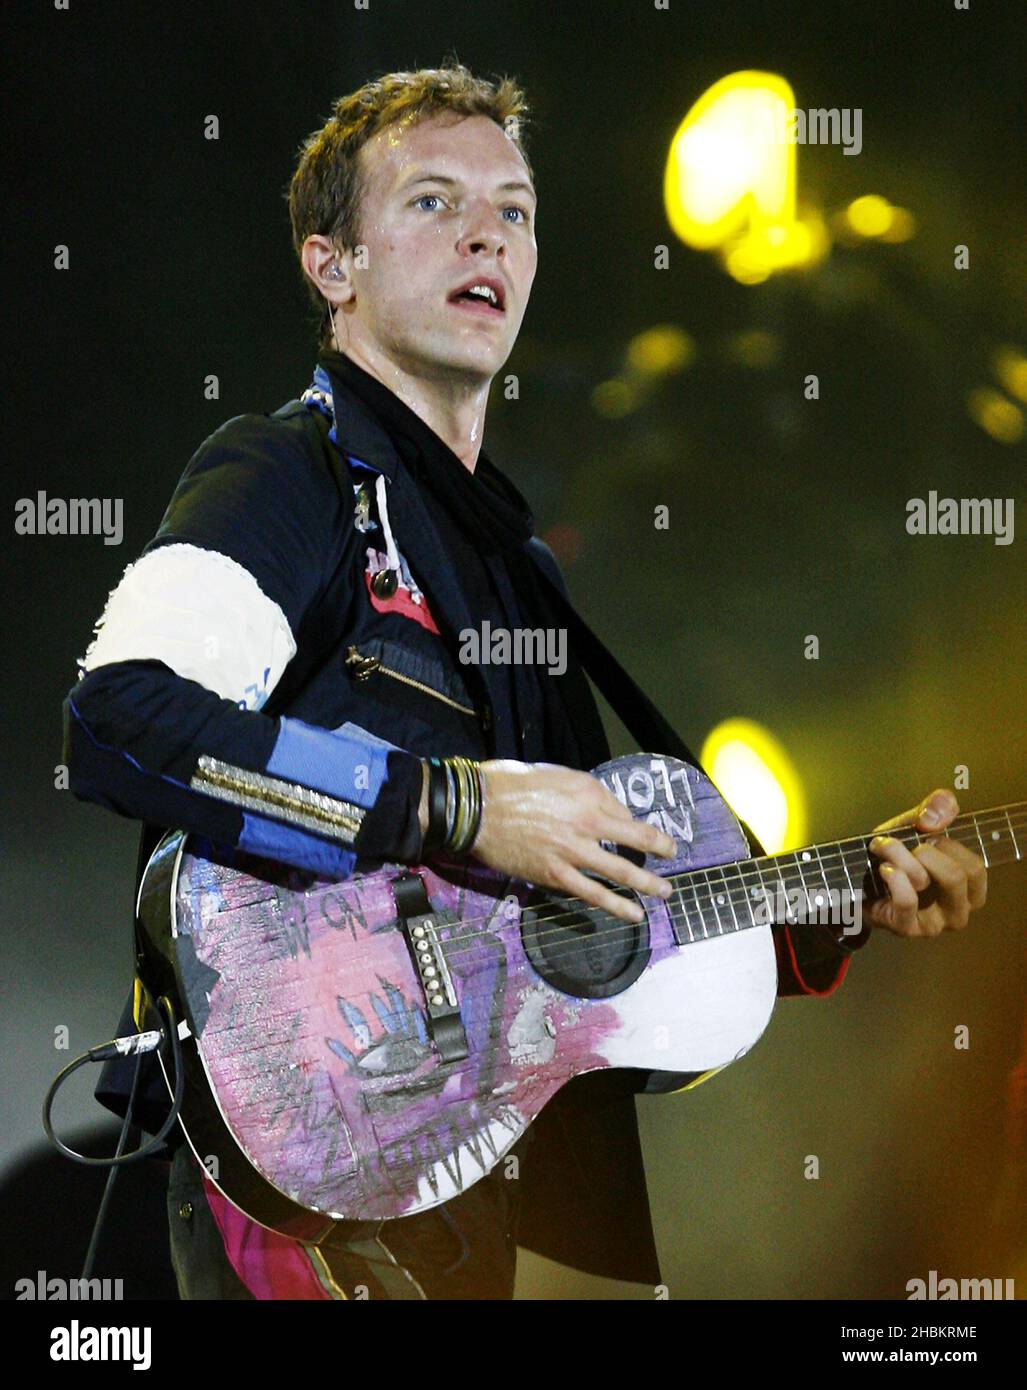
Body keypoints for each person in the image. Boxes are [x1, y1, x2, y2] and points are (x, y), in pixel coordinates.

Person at [62, 63, 988, 1300]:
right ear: (330, 265)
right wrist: (456, 806)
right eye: (435, 201)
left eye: (514, 209)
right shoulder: (286, 474)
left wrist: (839, 900)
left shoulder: (518, 572)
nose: (487, 231)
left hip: (472, 1220)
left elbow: (591, 944)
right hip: (298, 1210)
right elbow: (124, 716)